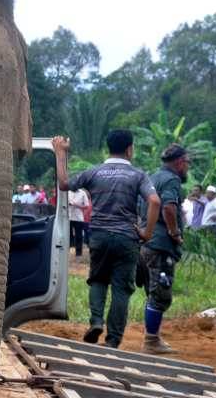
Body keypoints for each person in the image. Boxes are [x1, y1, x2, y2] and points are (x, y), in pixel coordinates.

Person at [53, 131, 160, 348]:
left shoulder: (94, 172)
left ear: (108, 148)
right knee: (122, 289)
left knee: (98, 280)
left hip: (99, 235)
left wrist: (60, 153)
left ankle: (96, 321)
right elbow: (155, 201)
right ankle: (113, 340)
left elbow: (64, 184)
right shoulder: (138, 175)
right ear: (129, 149)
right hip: (127, 238)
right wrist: (146, 233)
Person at [139, 144, 190, 354]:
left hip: (146, 243)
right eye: (187, 162)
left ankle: (152, 336)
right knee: (161, 293)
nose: (188, 167)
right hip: (160, 245)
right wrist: (174, 232)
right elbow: (168, 207)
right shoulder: (171, 180)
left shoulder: (153, 177)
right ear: (179, 162)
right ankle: (151, 341)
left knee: (153, 291)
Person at [68, 185, 91, 257]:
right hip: (68, 217)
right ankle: (68, 251)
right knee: (68, 235)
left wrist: (76, 205)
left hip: (78, 217)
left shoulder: (82, 193)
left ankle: (78, 253)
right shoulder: (67, 192)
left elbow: (87, 206)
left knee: (79, 235)